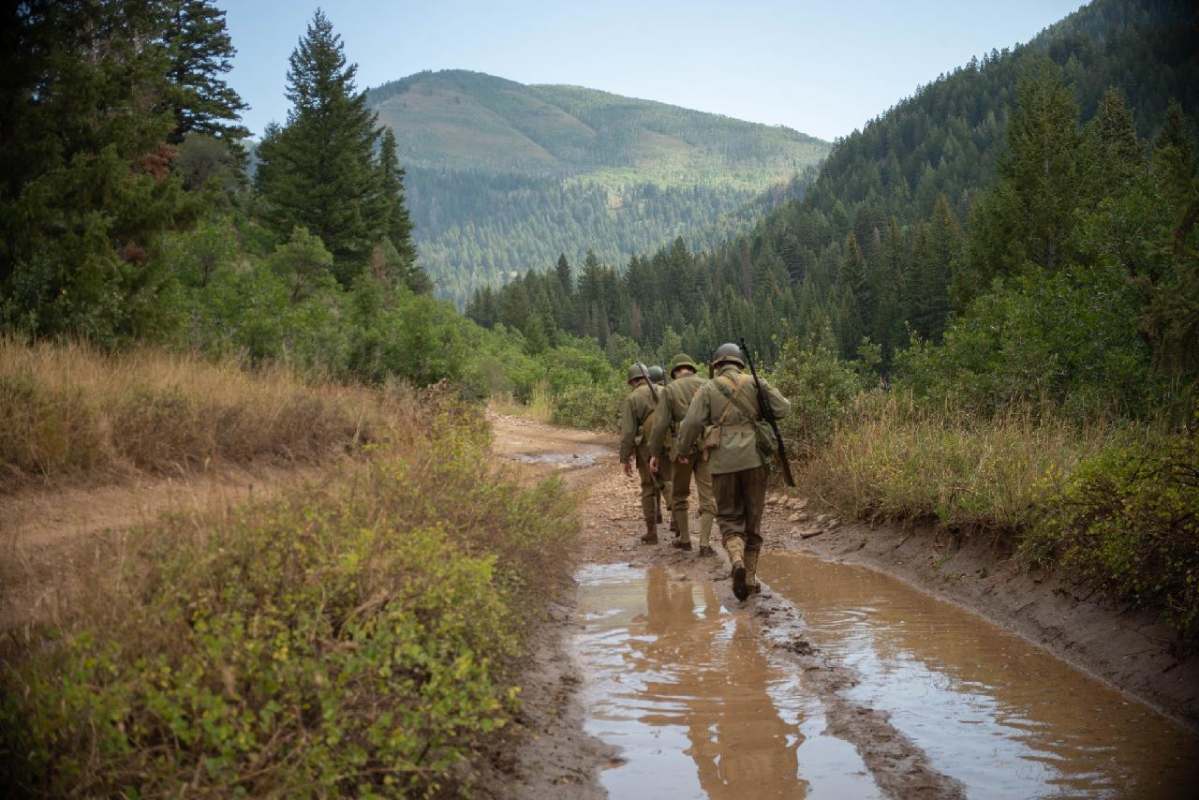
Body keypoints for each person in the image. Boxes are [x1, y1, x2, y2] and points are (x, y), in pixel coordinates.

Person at [676, 342, 791, 600]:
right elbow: (783, 409)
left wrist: (683, 451)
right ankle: (750, 578)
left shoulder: (707, 389)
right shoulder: (756, 382)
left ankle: (736, 560)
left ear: (716, 366)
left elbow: (691, 423)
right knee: (753, 520)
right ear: (739, 363)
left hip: (722, 463)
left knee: (728, 517)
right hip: (754, 460)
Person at [647, 353, 718, 555]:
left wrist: (655, 453)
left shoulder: (670, 389)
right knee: (707, 496)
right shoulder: (707, 384)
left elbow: (660, 425)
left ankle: (685, 540)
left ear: (676, 372)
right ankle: (705, 544)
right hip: (706, 446)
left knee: (679, 495)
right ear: (692, 369)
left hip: (680, 450)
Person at [619, 362, 667, 543]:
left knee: (648, 487)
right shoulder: (664, 391)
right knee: (669, 483)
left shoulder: (632, 399)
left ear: (632, 381)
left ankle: (652, 532)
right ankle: (680, 528)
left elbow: (629, 432)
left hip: (646, 448)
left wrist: (625, 457)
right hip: (668, 444)